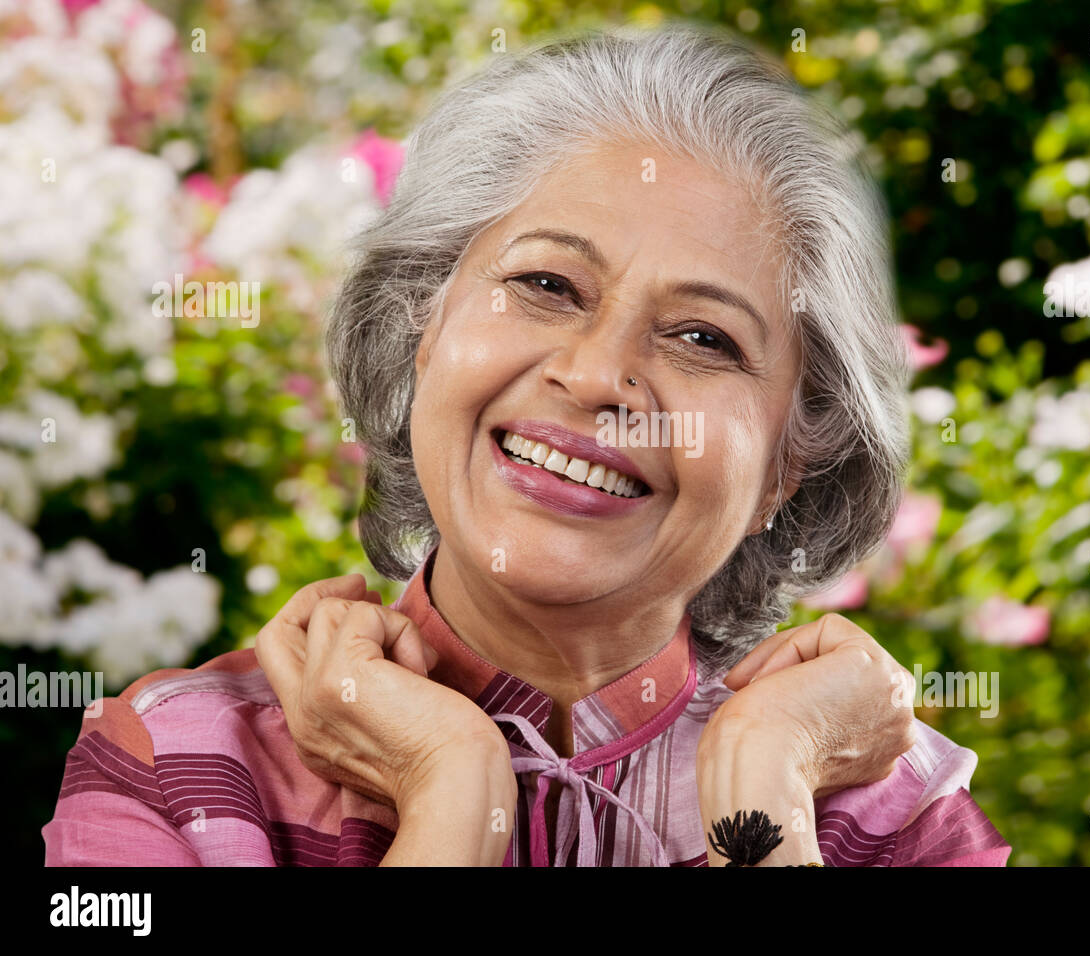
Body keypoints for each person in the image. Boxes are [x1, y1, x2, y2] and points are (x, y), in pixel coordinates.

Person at [43, 23, 1011, 867]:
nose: (597, 375)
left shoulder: (893, 819)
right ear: (424, 330)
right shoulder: (176, 768)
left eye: (703, 338)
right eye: (548, 285)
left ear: (784, 467)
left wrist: (763, 799)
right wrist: (450, 789)